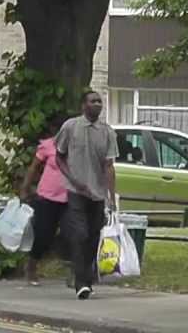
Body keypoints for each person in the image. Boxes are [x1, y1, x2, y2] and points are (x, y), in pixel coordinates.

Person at [56, 90, 119, 300]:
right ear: (83, 105)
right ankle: (80, 282)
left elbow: (109, 166)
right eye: (93, 101)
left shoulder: (107, 132)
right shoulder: (71, 127)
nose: (97, 104)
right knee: (80, 234)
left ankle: (86, 278)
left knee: (93, 237)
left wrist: (111, 196)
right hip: (76, 191)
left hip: (97, 193)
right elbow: (59, 157)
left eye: (99, 101)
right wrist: (71, 179)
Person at [20, 115, 69, 285]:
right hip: (47, 197)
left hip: (70, 197)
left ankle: (76, 272)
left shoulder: (77, 148)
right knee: (43, 234)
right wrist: (25, 189)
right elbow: (33, 169)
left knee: (72, 233)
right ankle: (31, 266)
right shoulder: (48, 146)